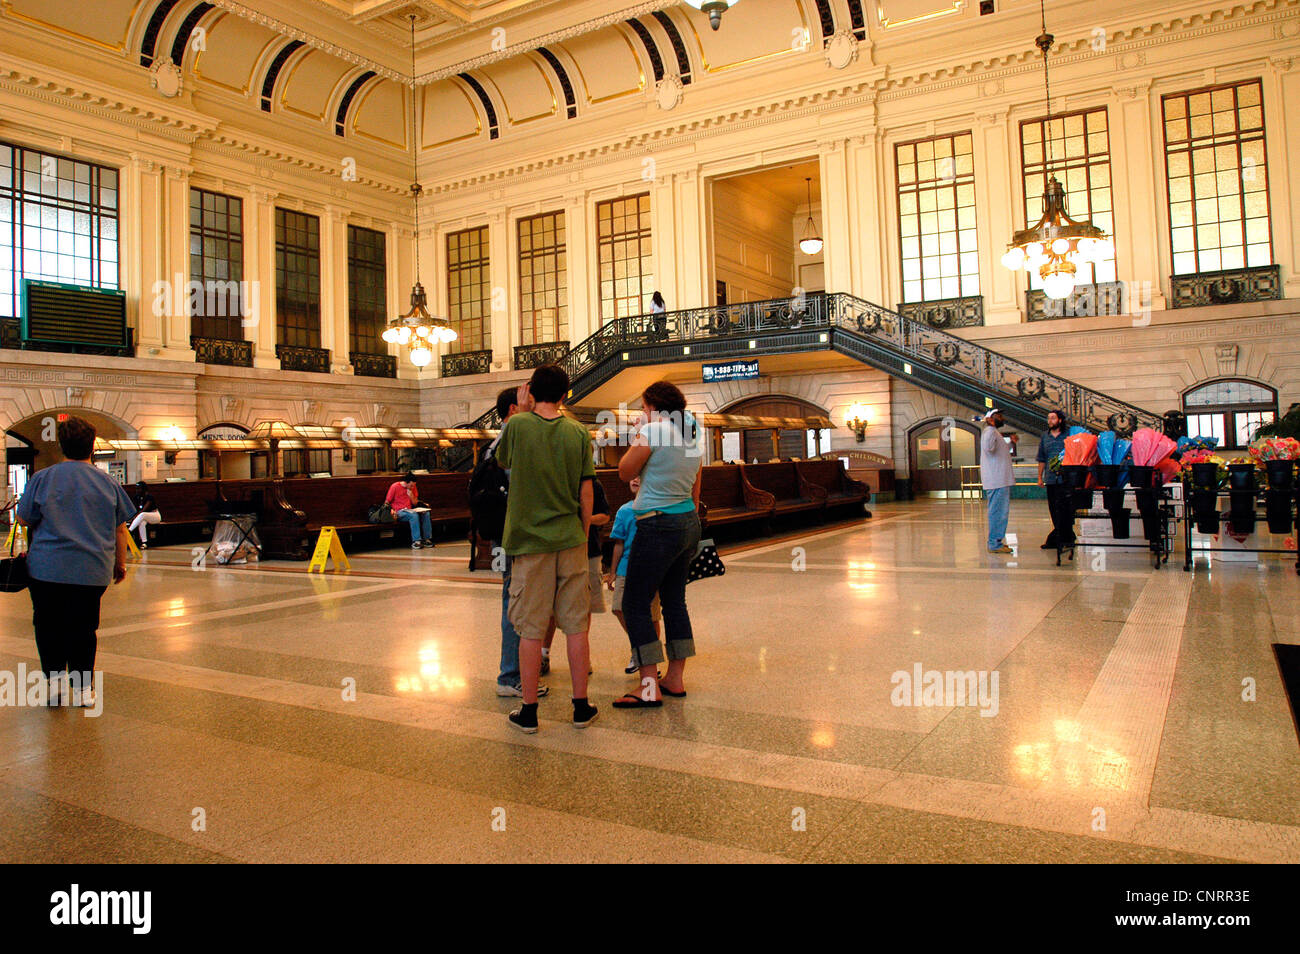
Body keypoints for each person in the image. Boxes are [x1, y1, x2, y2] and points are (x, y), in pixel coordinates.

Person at [495, 364, 596, 732]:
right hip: (570, 539)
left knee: (531, 629)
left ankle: (530, 711)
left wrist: (522, 412)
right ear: (567, 394)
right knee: (575, 626)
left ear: (531, 391)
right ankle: (581, 707)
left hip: (530, 543)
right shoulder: (578, 432)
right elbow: (587, 491)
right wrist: (582, 533)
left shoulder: (518, 426)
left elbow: (504, 459)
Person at [16, 415, 133, 709]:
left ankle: (54, 687)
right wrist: (120, 564)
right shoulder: (108, 483)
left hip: (46, 569)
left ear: (61, 446)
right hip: (91, 570)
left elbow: (24, 518)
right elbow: (120, 528)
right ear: (92, 447)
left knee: (47, 627)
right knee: (83, 628)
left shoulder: (42, 478)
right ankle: (83, 690)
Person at [613, 381, 703, 708]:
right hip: (686, 522)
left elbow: (625, 471)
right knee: (674, 602)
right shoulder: (692, 428)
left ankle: (648, 685)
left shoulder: (654, 430)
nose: (640, 413)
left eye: (642, 408)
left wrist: (641, 433)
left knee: (634, 604)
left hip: (656, 523)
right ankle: (674, 678)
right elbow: (697, 475)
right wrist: (691, 508)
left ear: (653, 406)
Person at [486, 387, 549, 699]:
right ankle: (511, 675)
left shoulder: (503, 436)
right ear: (514, 408)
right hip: (512, 534)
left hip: (504, 532)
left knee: (513, 598)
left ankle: (516, 671)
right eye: (528, 401)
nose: (534, 406)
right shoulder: (514, 433)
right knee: (515, 601)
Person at [541, 470, 609, 677]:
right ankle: (543, 654)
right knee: (549, 605)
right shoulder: (554, 480)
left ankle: (582, 657)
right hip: (556, 550)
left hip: (588, 551)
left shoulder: (593, 484)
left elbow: (605, 515)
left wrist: (585, 519)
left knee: (583, 606)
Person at [604, 475, 664, 673]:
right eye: (633, 476)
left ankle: (649, 658)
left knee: (651, 615)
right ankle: (640, 646)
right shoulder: (624, 510)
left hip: (649, 569)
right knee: (619, 607)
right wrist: (612, 572)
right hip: (625, 569)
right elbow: (619, 544)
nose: (635, 479)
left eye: (642, 475)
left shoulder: (656, 508)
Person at [978, 408, 1017, 555]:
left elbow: (998, 452)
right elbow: (989, 448)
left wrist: (1011, 443)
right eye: (998, 416)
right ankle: (994, 543)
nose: (1002, 418)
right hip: (996, 480)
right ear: (990, 419)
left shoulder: (994, 432)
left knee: (1000, 511)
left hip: (999, 479)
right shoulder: (989, 431)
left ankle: (996, 541)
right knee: (998, 512)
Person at [1036, 409, 1075, 550]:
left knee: (1066, 509)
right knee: (1054, 510)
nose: (1050, 421)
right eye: (1048, 418)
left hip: (1066, 479)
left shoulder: (1069, 435)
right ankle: (1061, 537)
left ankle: (1064, 537)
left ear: (1059, 420)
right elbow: (1041, 458)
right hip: (1051, 479)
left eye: (1053, 418)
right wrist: (1040, 477)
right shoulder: (1045, 437)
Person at [385, 472, 432, 549]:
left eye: (414, 485)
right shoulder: (395, 486)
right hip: (399, 511)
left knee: (426, 513)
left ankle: (427, 539)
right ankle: (416, 541)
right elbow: (387, 502)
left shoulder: (413, 488)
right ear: (406, 482)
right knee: (413, 516)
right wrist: (391, 510)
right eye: (411, 485)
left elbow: (415, 503)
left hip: (410, 510)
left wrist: (411, 496)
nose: (412, 487)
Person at [128, 481, 161, 548]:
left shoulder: (149, 497)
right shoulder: (136, 497)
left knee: (142, 514)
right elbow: (135, 509)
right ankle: (144, 542)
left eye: (139, 489)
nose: (137, 490)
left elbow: (144, 510)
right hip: (143, 516)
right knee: (142, 522)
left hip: (154, 515)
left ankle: (129, 531)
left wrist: (135, 517)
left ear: (144, 489)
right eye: (136, 489)